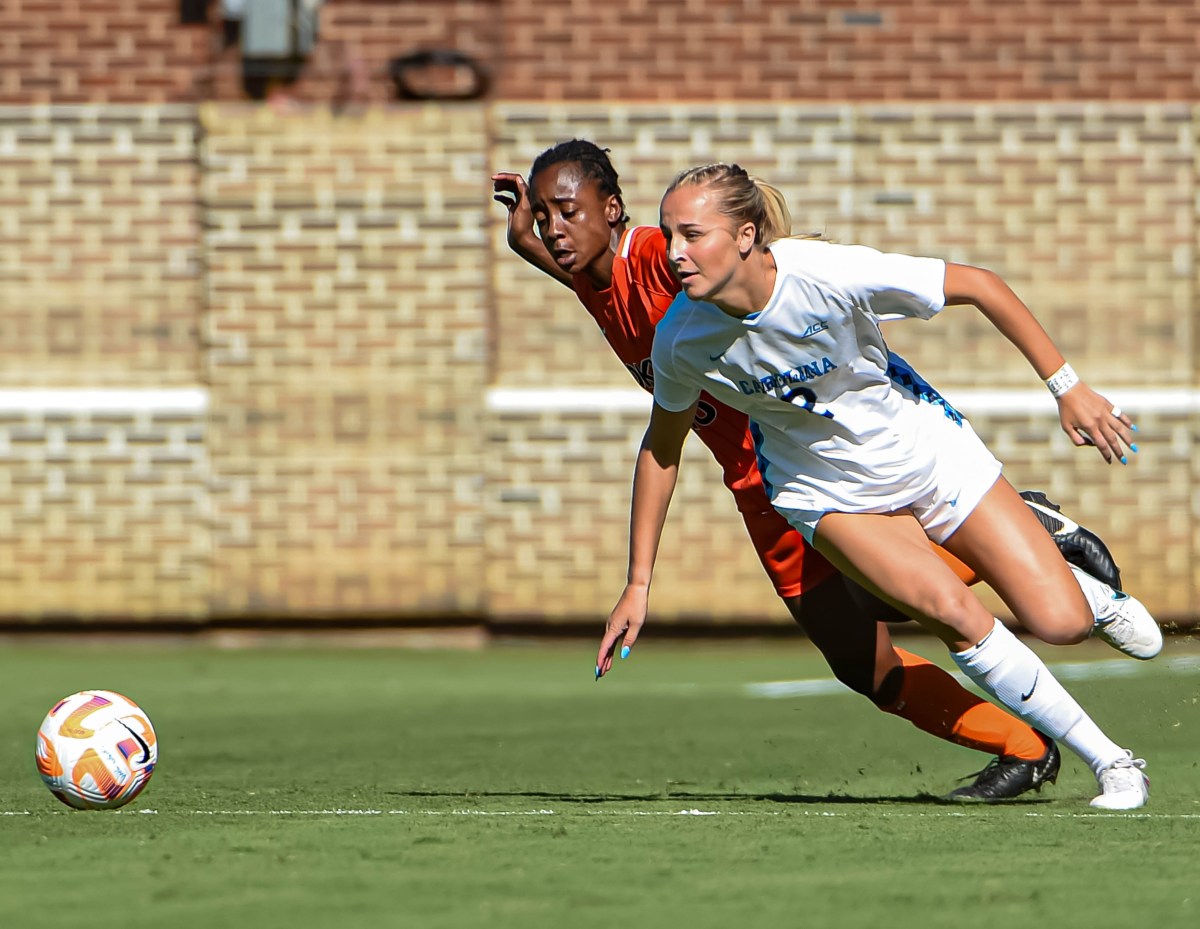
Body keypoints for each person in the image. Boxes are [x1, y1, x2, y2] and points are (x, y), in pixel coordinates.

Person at [493, 141, 1160, 803]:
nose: (554, 229)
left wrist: (1066, 384)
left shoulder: (664, 265)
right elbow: (657, 436)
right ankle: (1028, 744)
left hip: (847, 451)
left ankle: (1027, 533)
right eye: (545, 217)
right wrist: (525, 230)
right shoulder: (604, 284)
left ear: (614, 210)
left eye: (567, 211)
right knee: (862, 656)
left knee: (928, 601)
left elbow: (781, 280)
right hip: (780, 483)